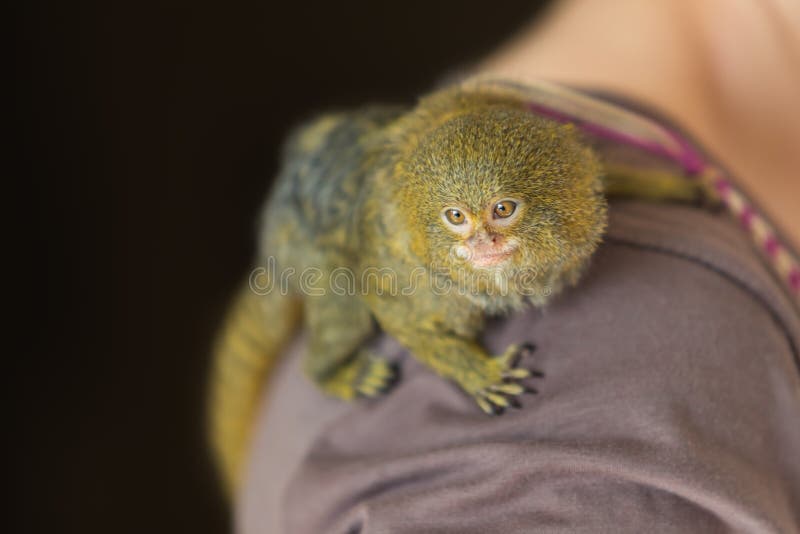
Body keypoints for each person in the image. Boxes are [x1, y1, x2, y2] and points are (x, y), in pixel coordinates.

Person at [237, 1, 800, 532]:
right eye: (461, 221)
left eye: (503, 212)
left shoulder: (521, 139)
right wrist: (477, 372)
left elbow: (583, 180)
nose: (484, 238)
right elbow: (412, 320)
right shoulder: (548, 459)